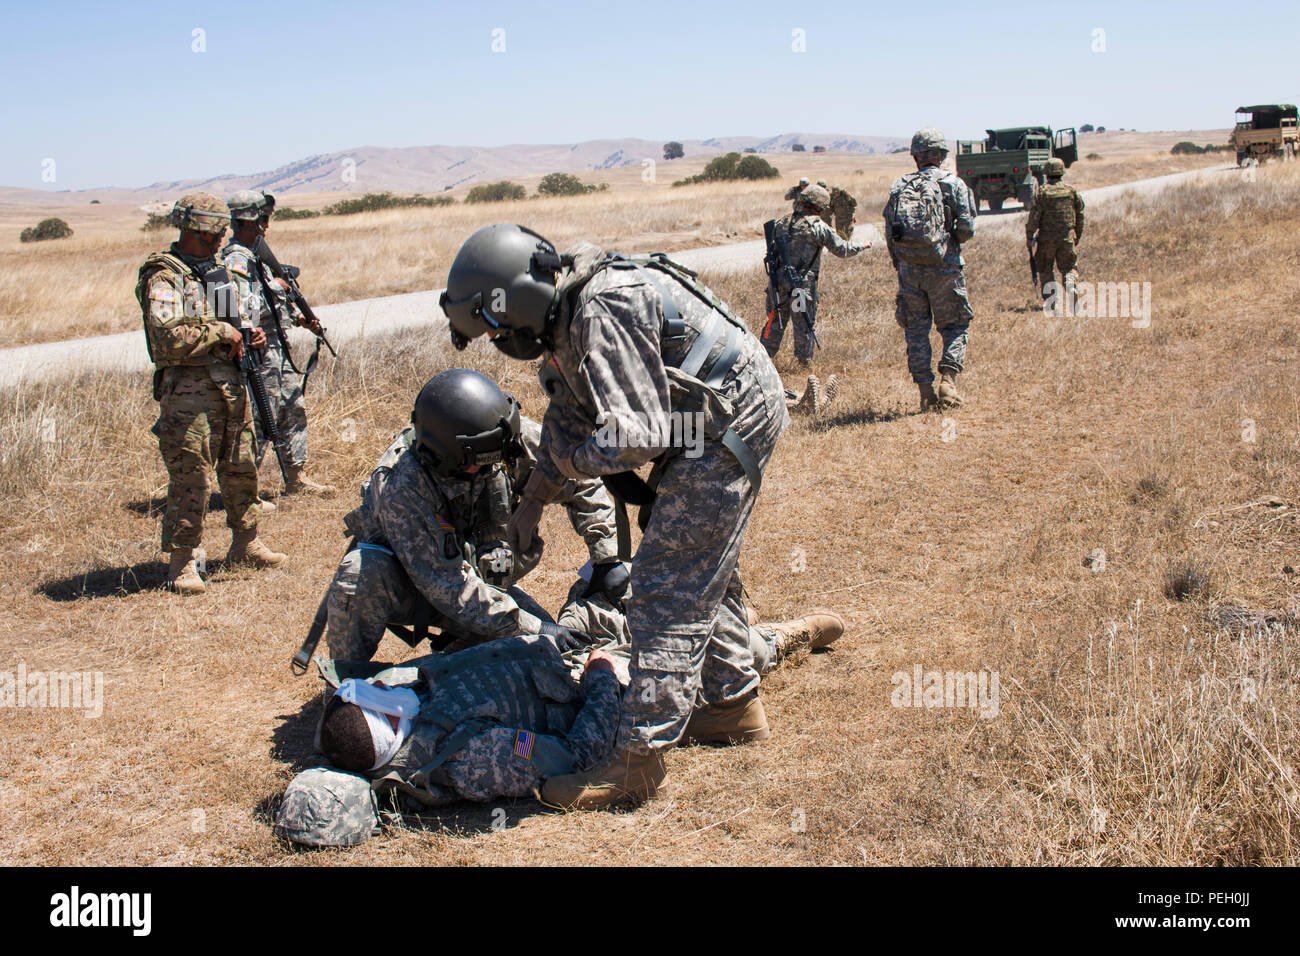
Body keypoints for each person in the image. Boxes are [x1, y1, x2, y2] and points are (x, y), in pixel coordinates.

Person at [442, 224, 794, 811]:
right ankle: (731, 704)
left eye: (497, 327)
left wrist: (578, 465)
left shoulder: (602, 309)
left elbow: (635, 436)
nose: (499, 340)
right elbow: (568, 418)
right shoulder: (565, 315)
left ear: (518, 302)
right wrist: (531, 503)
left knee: (665, 584)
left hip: (730, 419)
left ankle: (635, 760)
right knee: (693, 560)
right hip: (701, 419)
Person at [275, 607, 844, 846]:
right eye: (380, 698)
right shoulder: (473, 756)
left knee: (622, 597)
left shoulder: (374, 716)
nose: (386, 688)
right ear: (388, 725)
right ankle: (777, 641)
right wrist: (601, 677)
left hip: (547, 658)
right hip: (592, 693)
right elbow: (579, 753)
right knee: (683, 653)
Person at [323, 368, 594, 664]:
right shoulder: (402, 485)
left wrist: (607, 559)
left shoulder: (495, 436)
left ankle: (464, 646)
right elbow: (448, 586)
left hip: (473, 578)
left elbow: (580, 475)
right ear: (450, 456)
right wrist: (536, 627)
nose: (494, 467)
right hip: (416, 583)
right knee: (362, 571)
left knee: (546, 655)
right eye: (483, 462)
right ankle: (346, 687)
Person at [134, 193, 284, 595]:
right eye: (217, 232)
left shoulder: (214, 272)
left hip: (231, 388)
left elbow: (228, 322)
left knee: (241, 467)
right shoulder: (164, 276)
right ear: (199, 230)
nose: (223, 239)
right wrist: (224, 333)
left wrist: (245, 333)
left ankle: (246, 542)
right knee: (191, 478)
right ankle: (183, 562)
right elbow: (167, 338)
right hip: (189, 398)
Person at [223, 189, 336, 497]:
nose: (267, 226)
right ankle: (244, 493)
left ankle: (296, 478)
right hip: (257, 352)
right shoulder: (235, 260)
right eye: (264, 219)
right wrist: (278, 288)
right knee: (262, 419)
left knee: (292, 410)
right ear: (254, 221)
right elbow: (237, 311)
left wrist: (299, 319)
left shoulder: (255, 255)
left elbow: (271, 308)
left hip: (276, 349)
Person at [882, 128, 977, 411]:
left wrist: (901, 262)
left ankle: (925, 391)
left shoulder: (899, 186)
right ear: (941, 154)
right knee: (955, 325)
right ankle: (948, 381)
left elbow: (890, 231)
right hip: (945, 267)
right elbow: (967, 229)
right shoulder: (954, 184)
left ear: (916, 156)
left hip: (910, 270)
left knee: (916, 330)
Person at [762, 184, 869, 369]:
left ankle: (762, 360)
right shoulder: (817, 227)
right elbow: (842, 250)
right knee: (803, 324)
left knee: (774, 322)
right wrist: (862, 245)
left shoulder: (781, 223)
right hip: (802, 287)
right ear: (819, 206)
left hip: (777, 284)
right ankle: (804, 365)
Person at [1026, 158, 1085, 314]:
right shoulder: (1071, 191)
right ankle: (1072, 289)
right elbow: (1080, 215)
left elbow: (1034, 218)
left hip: (1046, 239)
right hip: (1067, 237)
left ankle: (1052, 305)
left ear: (1046, 173)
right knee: (1068, 268)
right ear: (1062, 172)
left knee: (1045, 269)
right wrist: (1077, 234)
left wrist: (1029, 236)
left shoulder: (1041, 193)